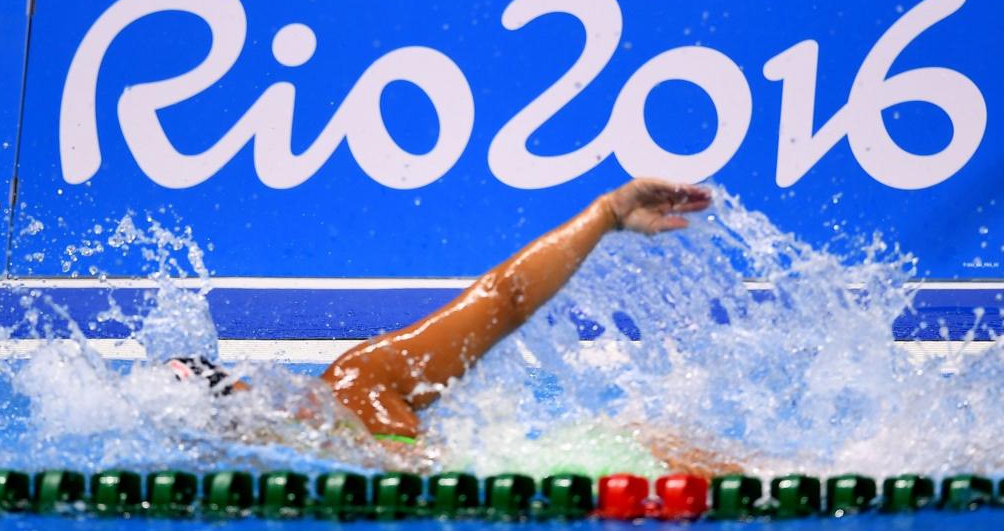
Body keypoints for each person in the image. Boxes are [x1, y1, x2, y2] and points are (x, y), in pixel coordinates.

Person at [171, 178, 730, 473]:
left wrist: (606, 213)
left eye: (234, 402)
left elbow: (502, 300)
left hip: (599, 475)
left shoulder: (358, 385)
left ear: (244, 386)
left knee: (657, 445)